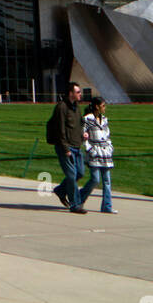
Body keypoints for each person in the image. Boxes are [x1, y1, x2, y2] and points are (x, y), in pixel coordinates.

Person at [49, 82, 88, 214]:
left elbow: (80, 123)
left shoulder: (76, 107)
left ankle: (60, 190)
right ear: (71, 93)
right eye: (78, 92)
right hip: (66, 147)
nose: (80, 94)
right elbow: (60, 130)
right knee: (71, 175)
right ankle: (75, 205)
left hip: (77, 145)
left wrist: (83, 134)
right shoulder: (62, 107)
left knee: (80, 173)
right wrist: (65, 148)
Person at [80, 97, 115, 213]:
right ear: (97, 106)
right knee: (95, 179)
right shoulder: (87, 119)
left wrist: (110, 147)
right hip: (94, 152)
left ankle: (107, 206)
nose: (105, 108)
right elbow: (83, 135)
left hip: (105, 153)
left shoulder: (104, 119)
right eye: (103, 105)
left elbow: (107, 135)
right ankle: (79, 198)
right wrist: (89, 149)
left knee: (107, 181)